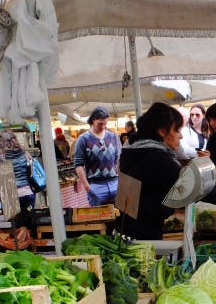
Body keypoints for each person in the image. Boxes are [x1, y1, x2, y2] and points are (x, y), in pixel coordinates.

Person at [119, 103, 184, 240]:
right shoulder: (155, 156)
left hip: (129, 225)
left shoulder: (132, 147)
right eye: (177, 130)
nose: (181, 135)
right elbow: (188, 181)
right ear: (161, 131)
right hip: (143, 233)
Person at [74, 106, 120, 206]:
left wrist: (120, 180)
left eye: (105, 123)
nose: (103, 126)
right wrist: (87, 187)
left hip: (115, 183)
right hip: (95, 186)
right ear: (93, 120)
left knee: (120, 217)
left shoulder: (113, 136)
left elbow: (117, 159)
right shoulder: (83, 139)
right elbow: (78, 165)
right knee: (98, 218)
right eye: (100, 123)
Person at [0, 130, 35, 212]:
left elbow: (2, 182)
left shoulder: (2, 157)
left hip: (12, 196)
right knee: (30, 222)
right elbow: (31, 174)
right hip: (28, 193)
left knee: (15, 224)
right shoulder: (25, 153)